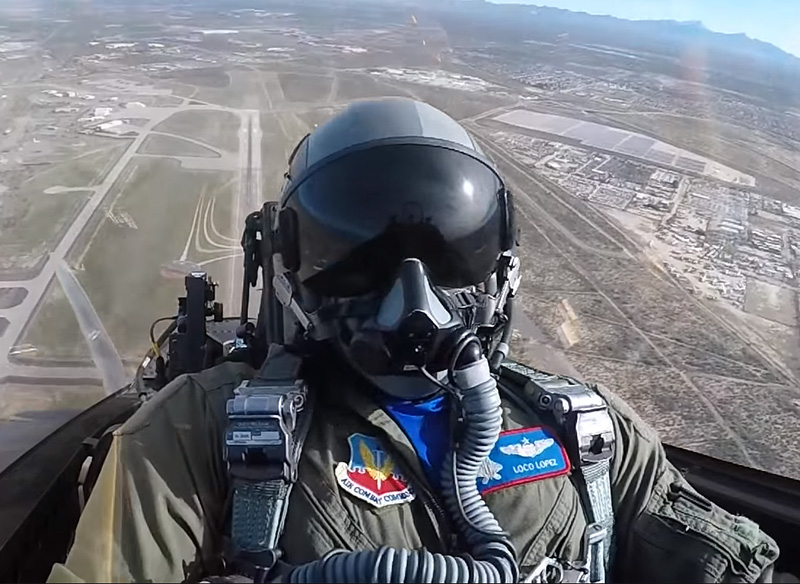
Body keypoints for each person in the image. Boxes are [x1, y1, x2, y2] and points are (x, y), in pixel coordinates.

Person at [48, 99, 780, 584]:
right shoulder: (193, 435)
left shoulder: (592, 434)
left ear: (500, 267)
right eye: (358, 258)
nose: (413, 299)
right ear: (292, 270)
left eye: (450, 256)